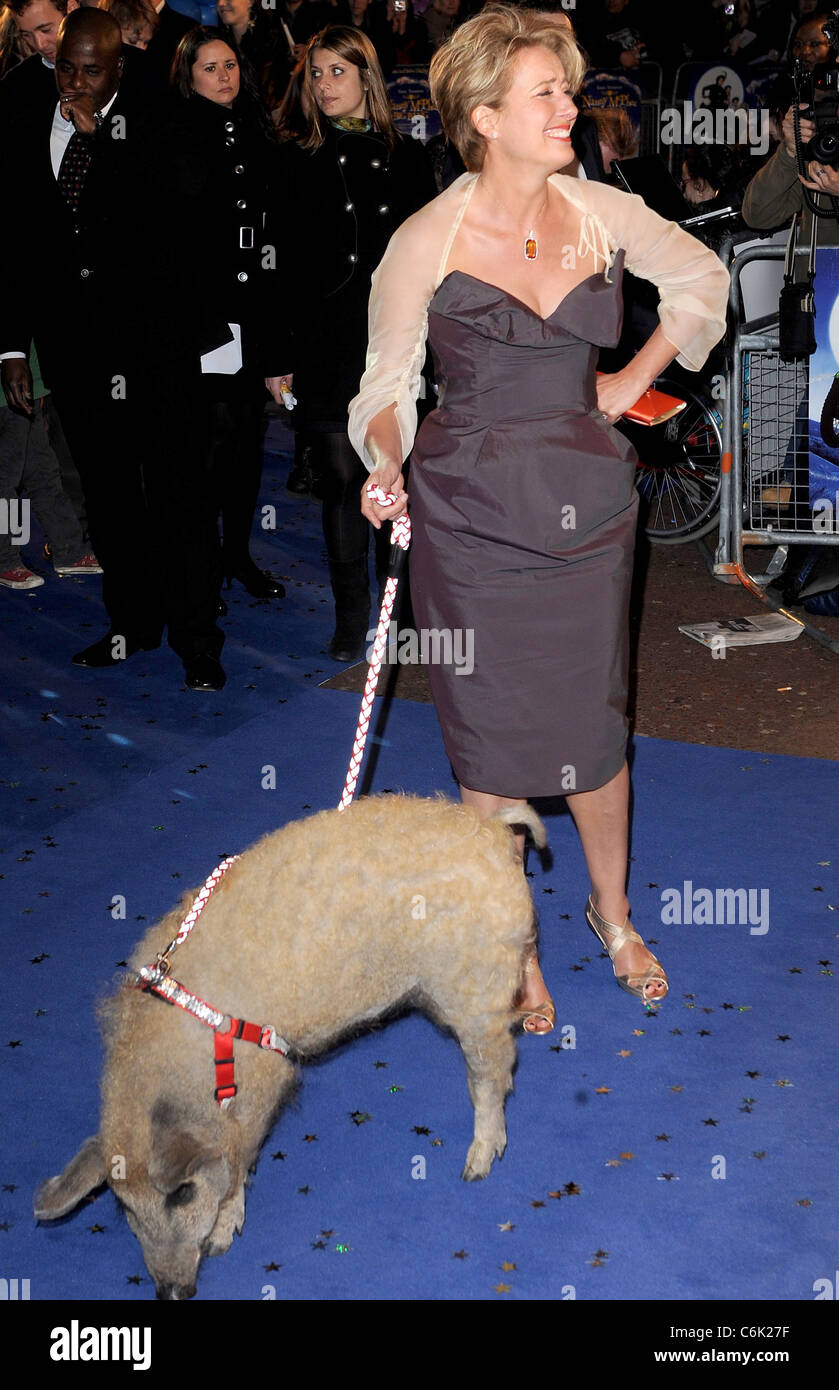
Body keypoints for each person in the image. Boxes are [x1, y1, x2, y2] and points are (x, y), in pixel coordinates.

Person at [349, 4, 729, 1029]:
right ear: (482, 114)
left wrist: (628, 380)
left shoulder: (601, 210)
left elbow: (701, 279)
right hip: (468, 524)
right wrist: (384, 460)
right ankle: (509, 947)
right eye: (546, 93)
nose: (572, 104)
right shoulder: (421, 242)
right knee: (491, 749)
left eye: (566, 87)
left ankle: (610, 913)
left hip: (588, 515)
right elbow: (385, 386)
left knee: (593, 734)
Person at [1, 7, 230, 689]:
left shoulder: (164, 112)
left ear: (119, 66)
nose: (74, 80)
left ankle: (197, 639)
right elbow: (14, 235)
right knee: (107, 496)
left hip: (156, 348)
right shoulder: (22, 109)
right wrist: (12, 345)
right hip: (74, 349)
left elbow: (189, 195)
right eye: (66, 66)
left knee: (176, 494)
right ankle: (131, 625)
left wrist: (106, 141)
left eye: (91, 70)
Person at [267, 24, 436, 661]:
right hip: (325, 340)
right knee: (341, 479)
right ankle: (351, 617)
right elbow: (275, 267)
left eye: (338, 71)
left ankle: (407, 612)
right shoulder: (293, 158)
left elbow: (435, 262)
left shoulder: (411, 159)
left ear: (368, 77)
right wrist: (274, 356)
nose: (324, 84)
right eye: (315, 73)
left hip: (395, 337)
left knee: (396, 474)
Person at [162, 25, 285, 599]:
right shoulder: (176, 133)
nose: (224, 76)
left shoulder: (258, 131)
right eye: (210, 67)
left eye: (230, 65)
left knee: (247, 441)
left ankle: (238, 555)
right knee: (208, 446)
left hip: (253, 311)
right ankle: (202, 564)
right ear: (187, 74)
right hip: (204, 317)